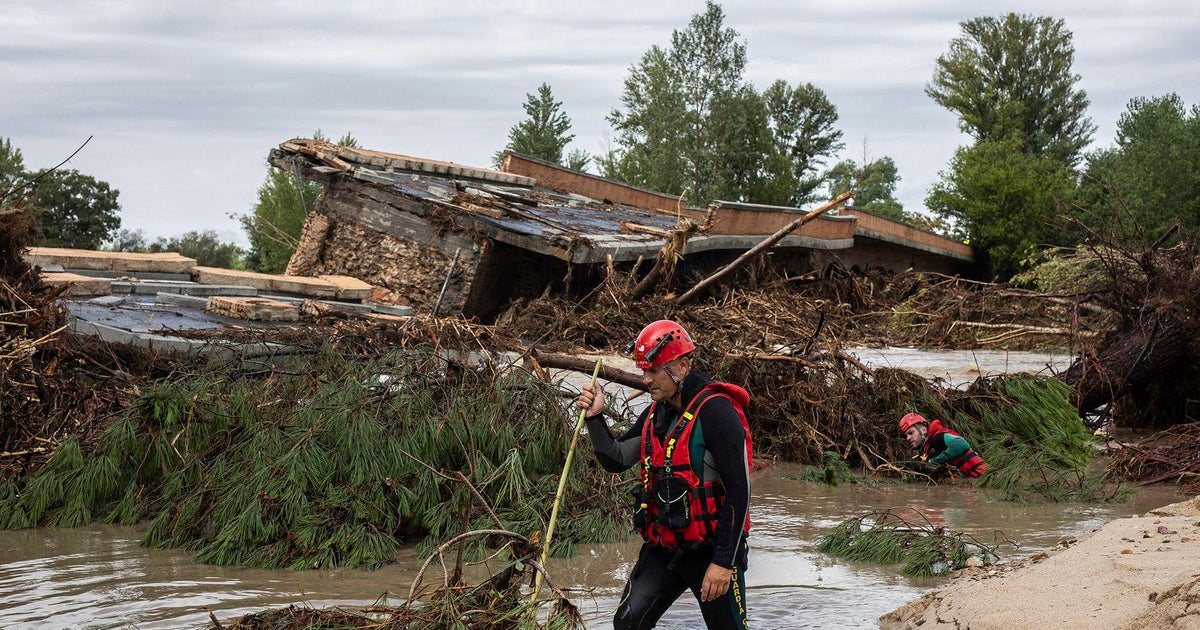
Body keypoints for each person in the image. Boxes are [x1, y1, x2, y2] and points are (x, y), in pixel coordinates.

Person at [576, 319, 751, 630]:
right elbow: (616, 459)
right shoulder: (656, 412)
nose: (646, 379)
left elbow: (740, 492)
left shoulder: (717, 412)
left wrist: (723, 562)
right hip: (664, 549)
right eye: (644, 370)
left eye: (654, 370)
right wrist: (595, 417)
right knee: (628, 623)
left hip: (713, 552)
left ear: (682, 366)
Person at [898, 412, 988, 478]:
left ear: (923, 430)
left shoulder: (938, 437)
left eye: (911, 433)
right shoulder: (927, 449)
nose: (908, 438)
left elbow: (961, 444)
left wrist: (933, 461)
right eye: (906, 436)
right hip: (969, 483)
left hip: (982, 476)